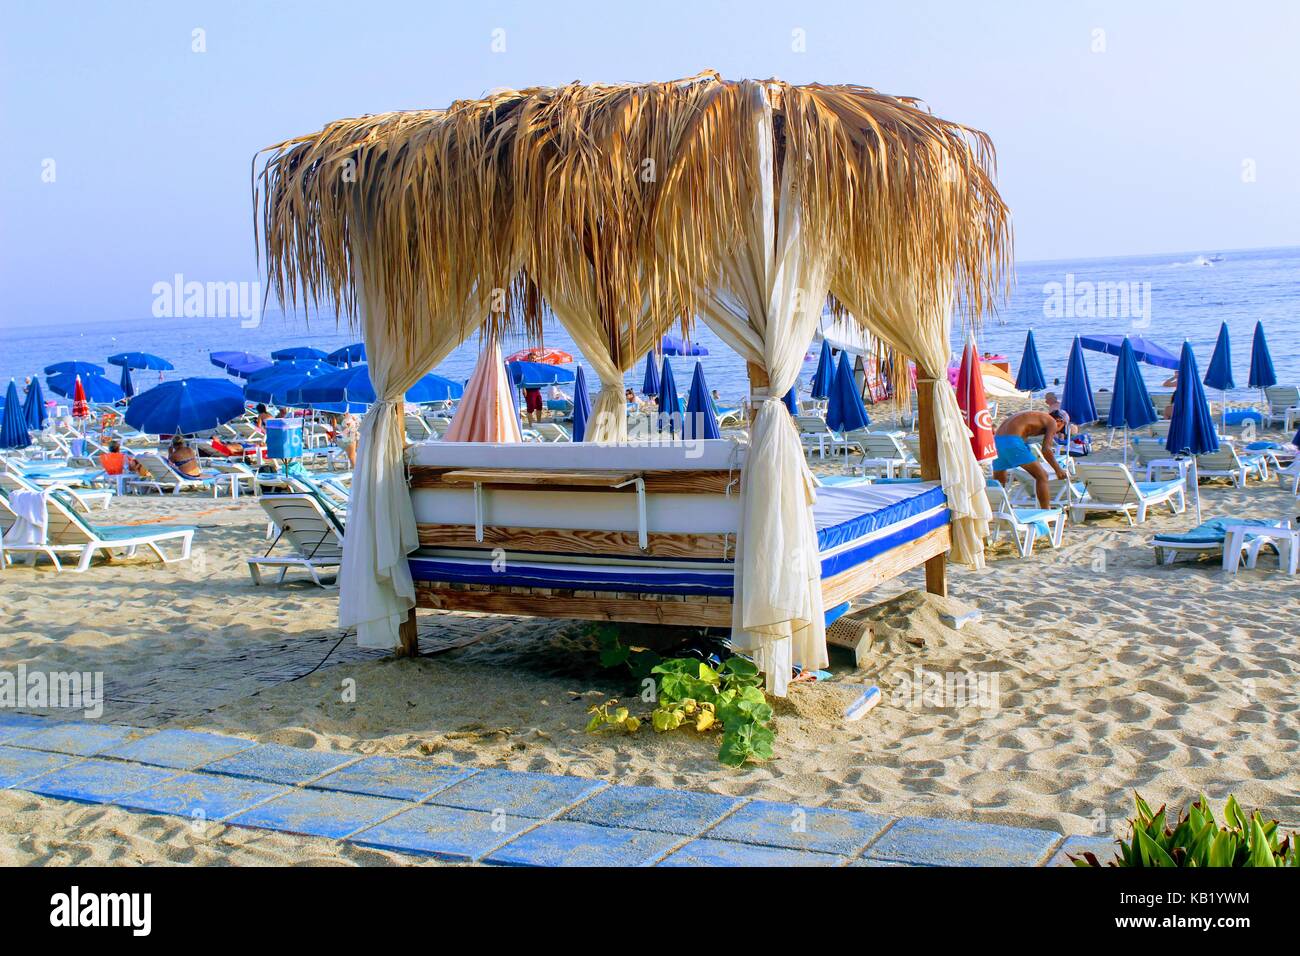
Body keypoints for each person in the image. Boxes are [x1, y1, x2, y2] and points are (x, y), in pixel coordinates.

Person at [992, 409, 1069, 509]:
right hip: (1013, 441)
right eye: (1061, 429)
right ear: (1060, 421)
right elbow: (1046, 449)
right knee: (1042, 476)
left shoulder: (1035, 416)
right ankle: (1046, 511)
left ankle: (998, 509)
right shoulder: (1052, 422)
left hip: (996, 441)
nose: (1057, 432)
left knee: (999, 481)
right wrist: (1058, 469)